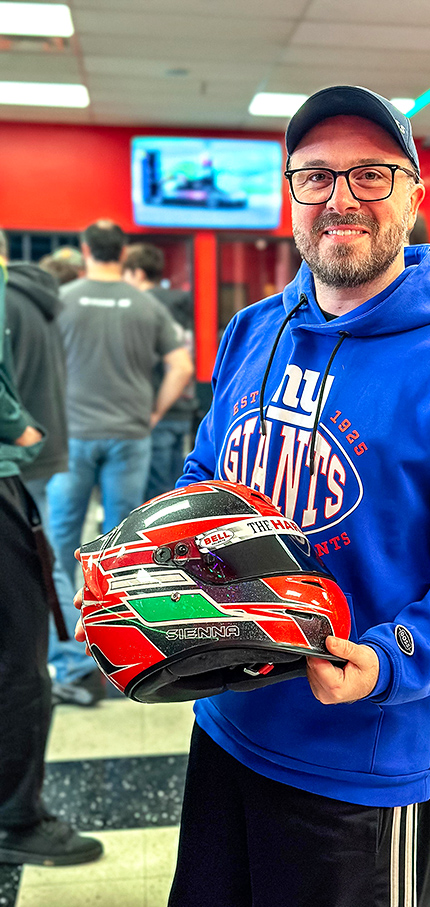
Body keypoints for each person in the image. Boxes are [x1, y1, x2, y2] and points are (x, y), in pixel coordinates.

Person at [77, 86, 430, 906]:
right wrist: (138, 575)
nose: (341, 199)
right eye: (316, 176)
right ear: (291, 191)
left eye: (371, 175)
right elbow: (205, 480)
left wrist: (389, 658)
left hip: (361, 759)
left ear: (412, 194)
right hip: (227, 721)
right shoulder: (252, 329)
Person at [47, 220, 193, 677]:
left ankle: (71, 663)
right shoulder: (145, 305)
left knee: (59, 547)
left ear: (86, 249)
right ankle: (123, 658)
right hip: (131, 436)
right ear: (123, 252)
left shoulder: (62, 301)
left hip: (73, 436)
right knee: (121, 553)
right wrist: (152, 412)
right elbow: (182, 366)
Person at [0, 246, 103, 867]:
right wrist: (22, 428)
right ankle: (15, 817)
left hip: (22, 469)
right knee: (20, 657)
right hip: (26, 463)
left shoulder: (20, 299)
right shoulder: (38, 302)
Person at [122, 242, 197, 499]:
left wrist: (153, 412)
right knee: (175, 492)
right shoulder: (183, 304)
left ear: (138, 273)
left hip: (156, 409)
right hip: (185, 406)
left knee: (152, 497)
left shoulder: (140, 307)